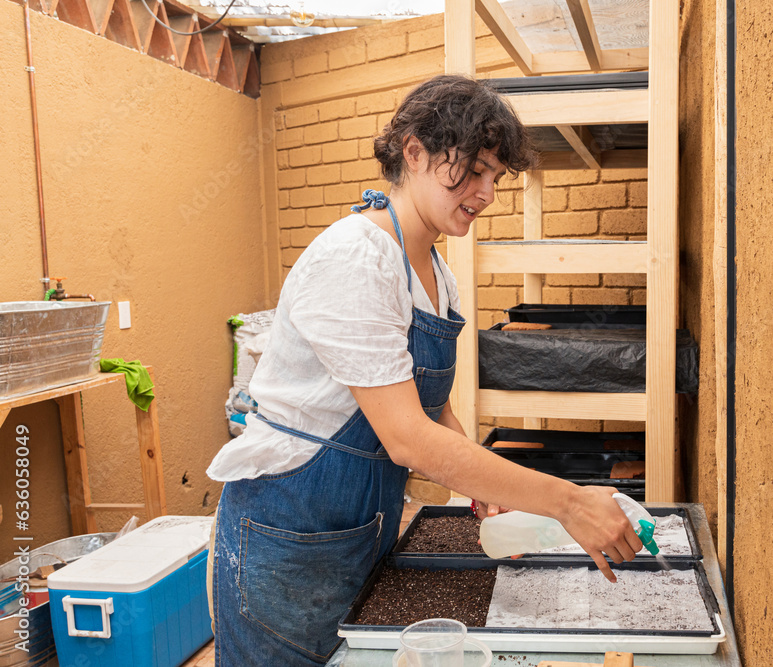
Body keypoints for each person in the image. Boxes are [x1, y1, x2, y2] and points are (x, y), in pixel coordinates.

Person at [206, 74, 642, 666]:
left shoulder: (436, 271)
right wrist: (565, 503)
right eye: (473, 170)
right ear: (413, 151)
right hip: (289, 536)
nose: (486, 192)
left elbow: (434, 411)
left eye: (495, 177)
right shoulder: (356, 257)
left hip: (361, 529)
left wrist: (484, 488)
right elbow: (407, 438)